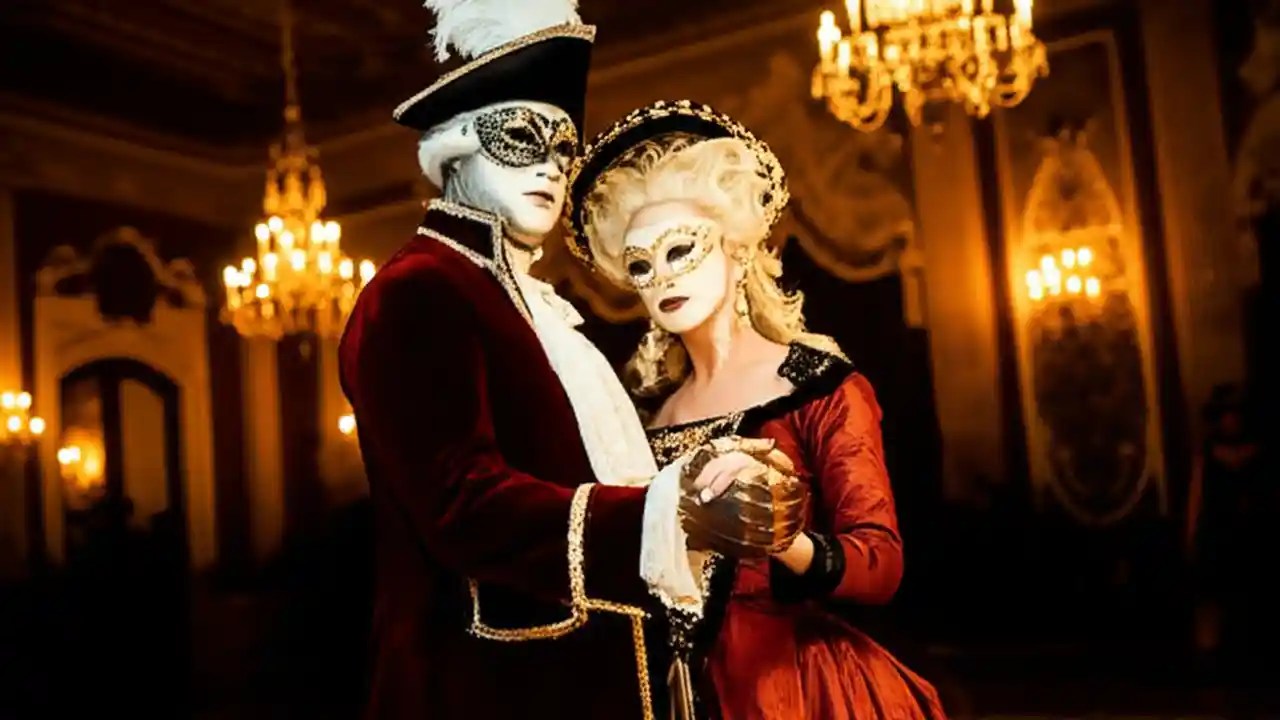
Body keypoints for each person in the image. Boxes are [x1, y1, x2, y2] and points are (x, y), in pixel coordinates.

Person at [337, 4, 807, 718]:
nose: (552, 165)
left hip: (590, 676)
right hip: (489, 688)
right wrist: (669, 513)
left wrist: (706, 483)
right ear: (456, 148)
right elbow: (462, 503)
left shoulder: (529, 302)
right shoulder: (419, 290)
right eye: (521, 137)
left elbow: (598, 476)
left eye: (565, 148)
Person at [565, 100, 949, 719]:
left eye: (679, 249)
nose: (660, 277)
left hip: (795, 689)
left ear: (737, 248)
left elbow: (881, 563)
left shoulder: (817, 387)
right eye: (640, 264)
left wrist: (785, 542)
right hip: (668, 688)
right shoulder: (645, 411)